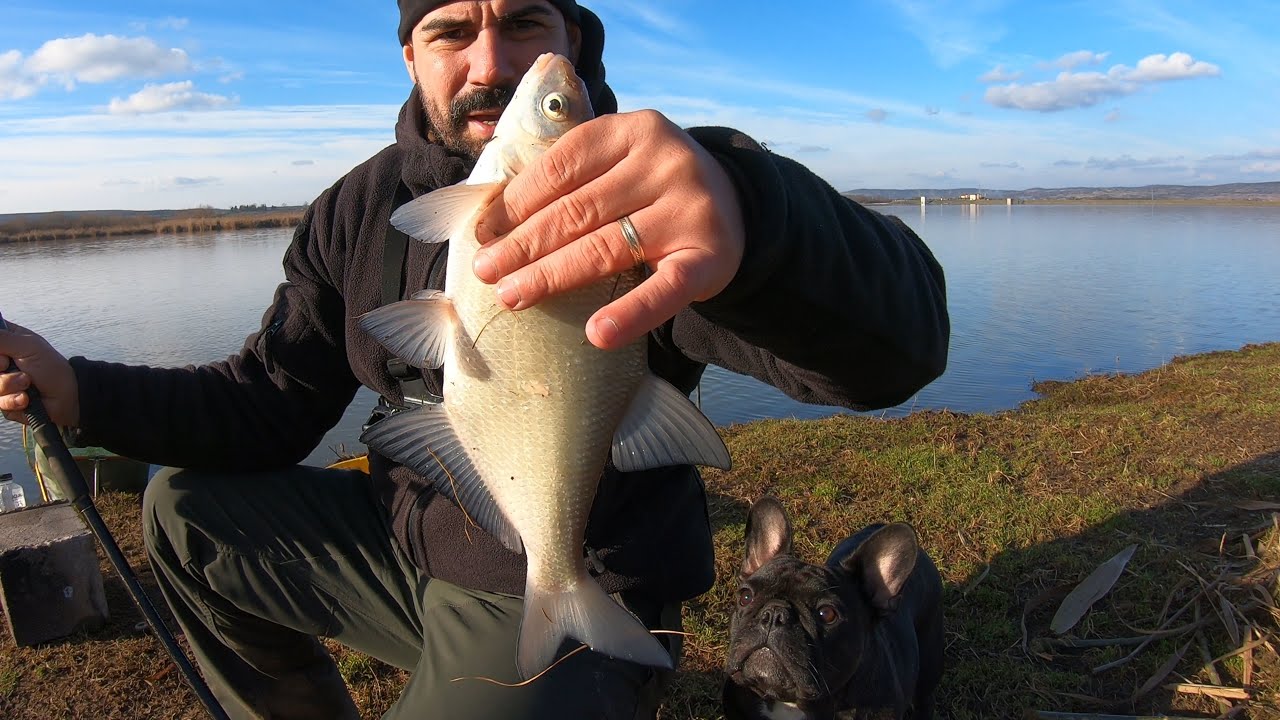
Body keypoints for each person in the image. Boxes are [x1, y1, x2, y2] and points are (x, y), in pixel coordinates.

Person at [0, 0, 950, 717]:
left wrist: (753, 218)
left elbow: (895, 354)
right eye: (453, 29)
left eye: (528, 24)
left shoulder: (663, 193)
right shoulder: (355, 209)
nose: (492, 63)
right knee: (182, 511)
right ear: (411, 54)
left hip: (578, 563)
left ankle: (592, 657)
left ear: (574, 45)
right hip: (404, 544)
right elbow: (268, 401)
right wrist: (74, 387)